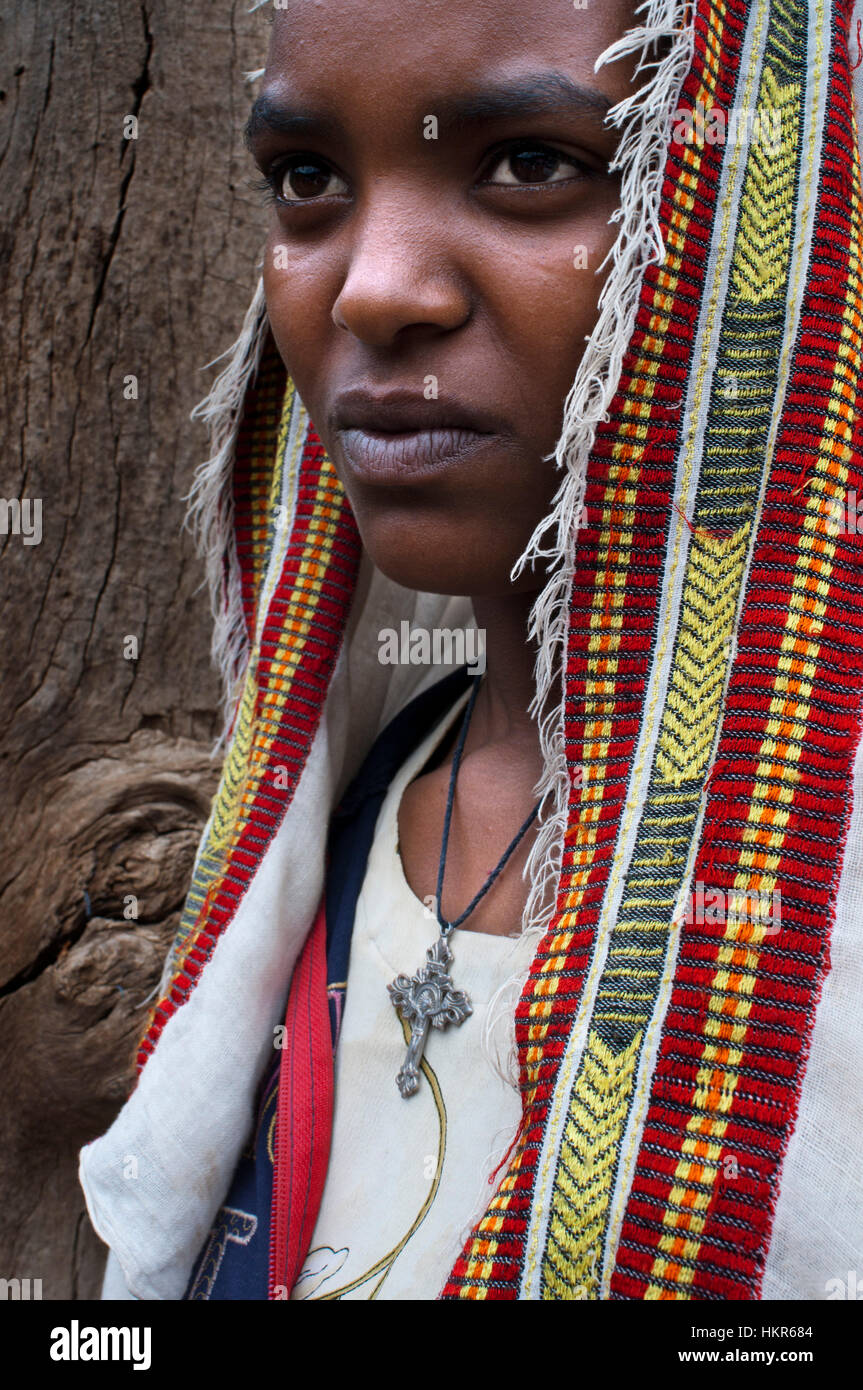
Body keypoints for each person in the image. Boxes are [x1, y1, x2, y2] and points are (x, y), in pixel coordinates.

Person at [81, 0, 863, 1301]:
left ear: (778, 216)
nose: (374, 285)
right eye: (310, 178)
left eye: (533, 162)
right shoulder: (349, 827)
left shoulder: (823, 918)